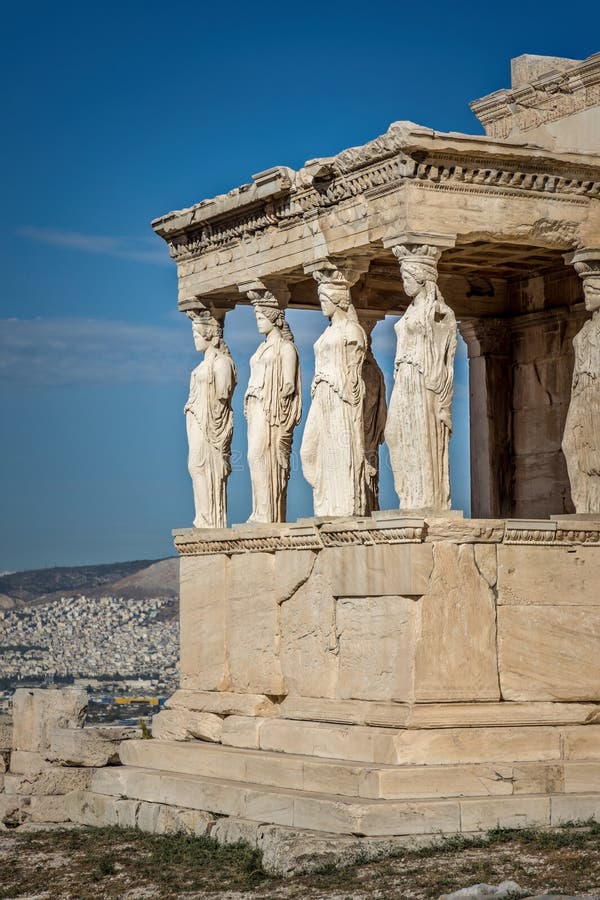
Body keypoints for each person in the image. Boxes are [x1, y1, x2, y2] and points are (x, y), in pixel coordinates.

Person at [385, 246, 457, 510]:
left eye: (407, 277)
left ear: (422, 278)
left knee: (419, 436)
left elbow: (445, 354)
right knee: (394, 433)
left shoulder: (438, 312)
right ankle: (410, 496)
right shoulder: (410, 311)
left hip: (422, 379)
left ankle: (426, 500)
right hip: (403, 378)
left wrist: (441, 395)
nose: (404, 283)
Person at [301, 270, 368, 517]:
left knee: (340, 448)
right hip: (322, 395)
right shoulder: (328, 332)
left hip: (341, 397)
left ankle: (343, 506)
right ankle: (327, 502)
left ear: (338, 300)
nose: (322, 305)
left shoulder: (352, 331)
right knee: (309, 450)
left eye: (325, 300)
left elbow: (355, 372)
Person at [245, 293, 302, 523]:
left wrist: (277, 395)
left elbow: (289, 383)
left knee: (261, 455)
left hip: (272, 411)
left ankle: (267, 513)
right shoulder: (261, 348)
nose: (258, 320)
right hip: (256, 407)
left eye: (261, 316)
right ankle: (259, 510)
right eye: (256, 316)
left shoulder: (285, 348)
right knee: (253, 457)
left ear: (273, 317)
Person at [184, 310, 236, 528]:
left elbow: (223, 394)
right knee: (195, 466)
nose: (195, 337)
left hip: (211, 424)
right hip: (196, 420)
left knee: (205, 466)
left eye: (198, 333)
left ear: (211, 335)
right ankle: (203, 517)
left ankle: (212, 519)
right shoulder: (202, 366)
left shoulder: (222, 362)